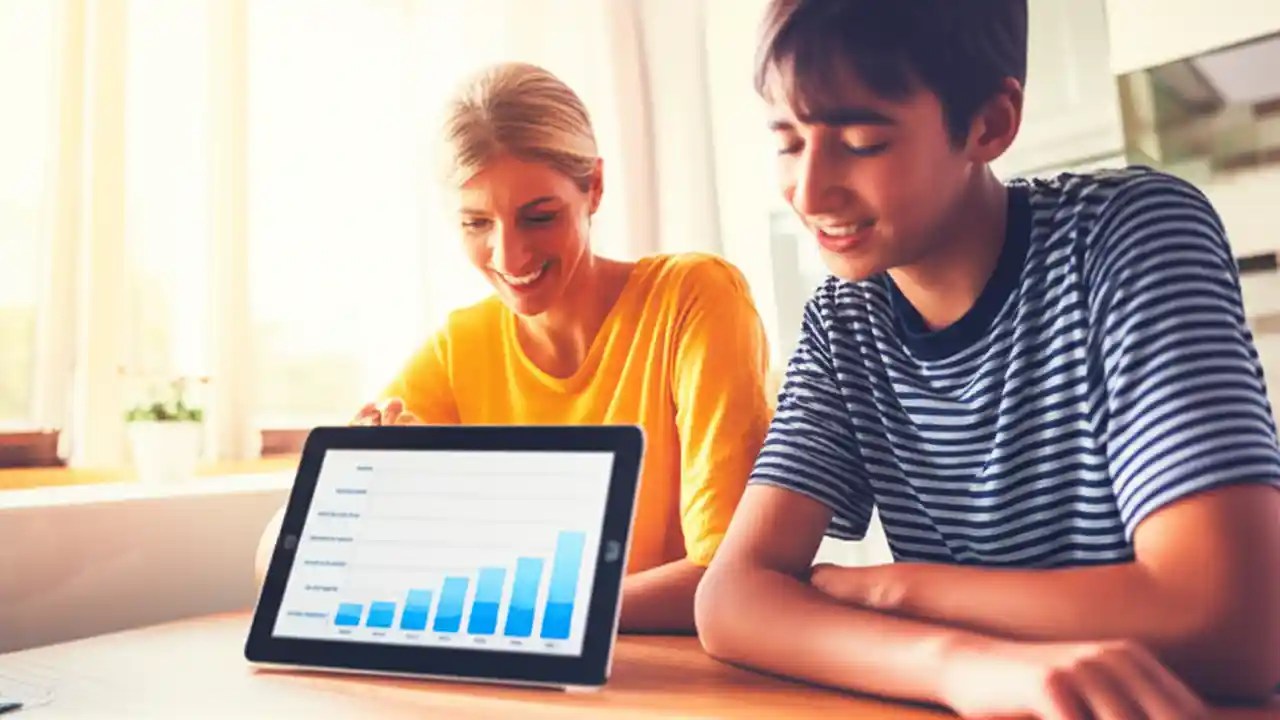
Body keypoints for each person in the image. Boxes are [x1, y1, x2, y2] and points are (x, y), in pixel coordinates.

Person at [694, 1, 1280, 717]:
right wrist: (964, 668)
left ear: (990, 124)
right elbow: (731, 598)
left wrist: (896, 588)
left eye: (861, 142)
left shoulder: (1129, 235)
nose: (810, 192)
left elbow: (1239, 625)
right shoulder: (844, 319)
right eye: (788, 142)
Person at [256, 62, 772, 634]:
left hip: (678, 678)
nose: (510, 257)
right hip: (515, 677)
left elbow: (731, 574)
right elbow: (282, 562)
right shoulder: (462, 346)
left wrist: (525, 615)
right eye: (477, 224)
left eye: (539, 217)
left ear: (594, 187)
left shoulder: (692, 300)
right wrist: (361, 500)